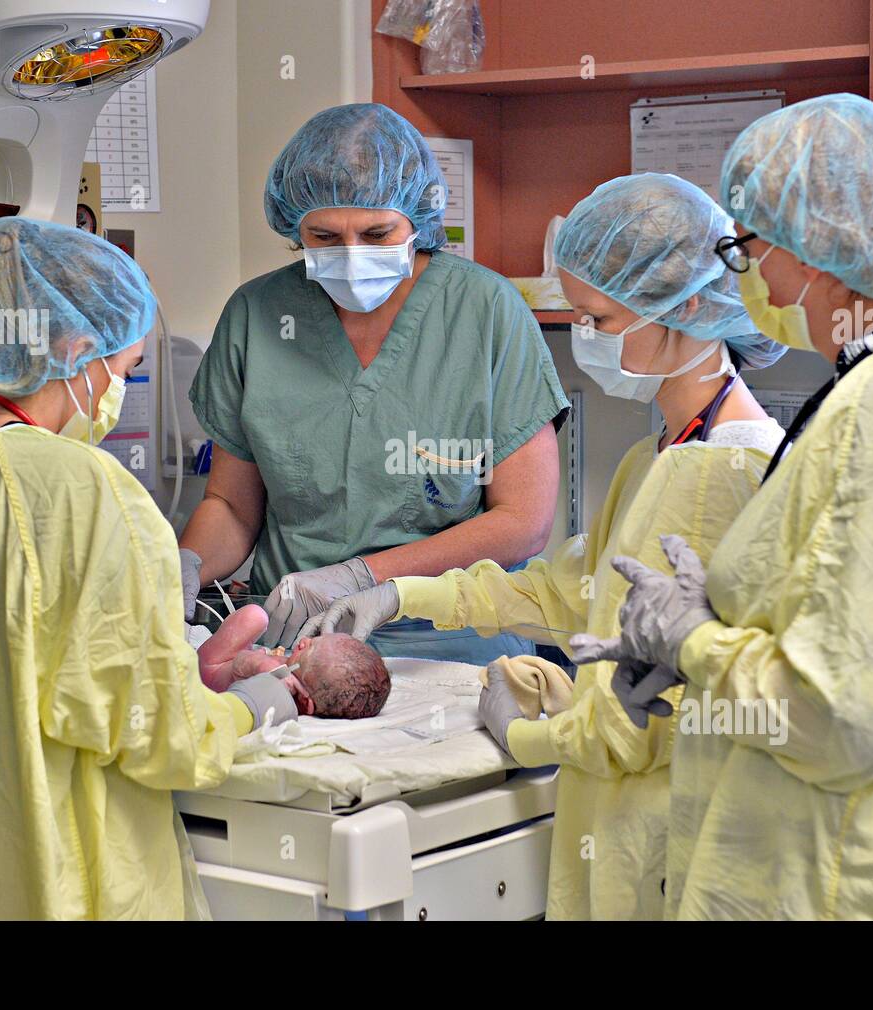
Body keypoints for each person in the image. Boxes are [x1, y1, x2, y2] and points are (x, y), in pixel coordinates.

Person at [575, 94, 873, 920]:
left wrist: (697, 643)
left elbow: (843, 720)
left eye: (750, 247)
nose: (747, 274)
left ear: (818, 249)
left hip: (853, 885)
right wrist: (720, 618)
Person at [308, 173, 787, 919]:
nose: (585, 339)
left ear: (689, 306)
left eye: (597, 318)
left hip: (657, 847)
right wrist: (402, 593)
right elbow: (572, 591)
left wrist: (526, 734)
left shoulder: (714, 470)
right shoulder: (664, 455)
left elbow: (641, 727)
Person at [0, 217, 295, 921]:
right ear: (79, 350)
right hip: (47, 876)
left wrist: (174, 669)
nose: (119, 391)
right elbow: (154, 737)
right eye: (123, 369)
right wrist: (240, 712)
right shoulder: (87, 488)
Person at [180, 102, 570, 661]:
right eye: (325, 236)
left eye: (377, 232)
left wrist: (366, 577)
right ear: (295, 228)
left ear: (418, 220)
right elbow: (234, 507)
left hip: (450, 639)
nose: (352, 254)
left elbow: (523, 522)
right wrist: (184, 564)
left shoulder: (484, 311)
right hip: (293, 641)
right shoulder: (258, 313)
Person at [196, 604, 391, 718]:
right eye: (315, 639)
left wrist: (261, 662)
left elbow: (241, 662)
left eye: (308, 648)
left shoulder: (275, 675)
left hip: (211, 668)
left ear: (306, 704)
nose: (304, 641)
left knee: (254, 616)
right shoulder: (295, 680)